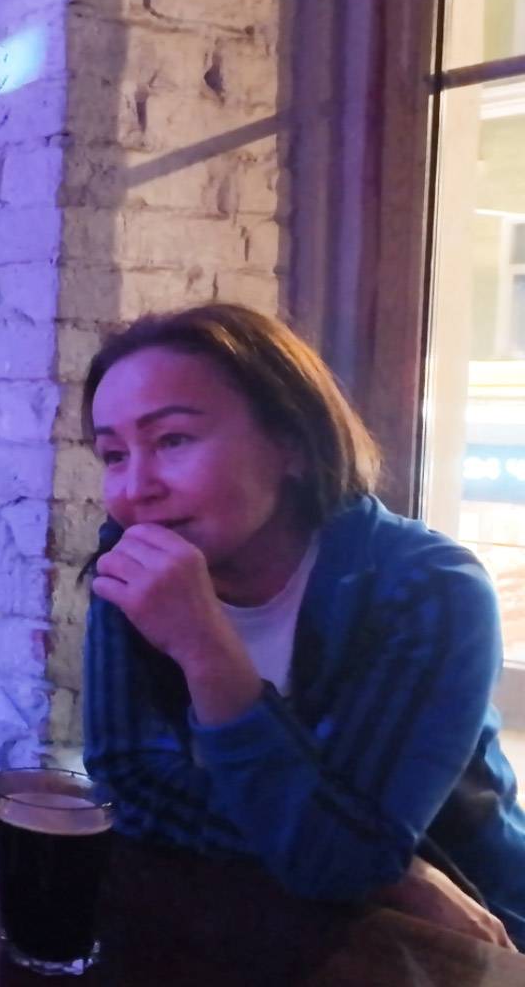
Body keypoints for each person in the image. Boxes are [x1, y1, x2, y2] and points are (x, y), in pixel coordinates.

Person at [82, 302, 525, 949]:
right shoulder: (134, 560)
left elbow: (341, 863)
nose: (136, 488)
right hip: (250, 918)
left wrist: (205, 649)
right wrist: (396, 873)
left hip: (462, 942)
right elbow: (131, 786)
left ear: (291, 443)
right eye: (114, 454)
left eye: (173, 440)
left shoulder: (427, 589)